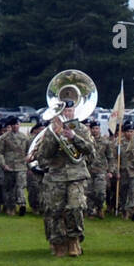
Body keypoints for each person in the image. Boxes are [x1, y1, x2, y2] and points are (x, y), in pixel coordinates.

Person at [35, 103, 94, 255]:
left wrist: (74, 137)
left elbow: (90, 150)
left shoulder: (82, 129)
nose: (67, 113)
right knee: (54, 211)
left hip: (76, 175)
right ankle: (58, 242)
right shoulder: (50, 131)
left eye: (70, 110)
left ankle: (74, 239)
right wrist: (54, 137)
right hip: (56, 176)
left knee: (75, 207)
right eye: (65, 111)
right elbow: (44, 155)